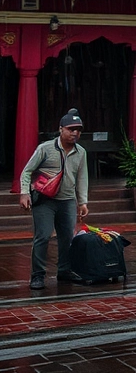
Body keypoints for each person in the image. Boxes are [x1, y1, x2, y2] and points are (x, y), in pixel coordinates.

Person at [18, 109, 90, 290]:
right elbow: (27, 171)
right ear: (61, 129)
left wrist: (82, 202)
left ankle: (64, 271)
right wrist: (24, 193)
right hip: (44, 201)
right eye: (71, 129)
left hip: (67, 201)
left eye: (78, 130)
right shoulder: (45, 148)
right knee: (42, 236)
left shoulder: (81, 152)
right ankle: (37, 276)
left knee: (67, 238)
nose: (75, 133)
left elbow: (82, 178)